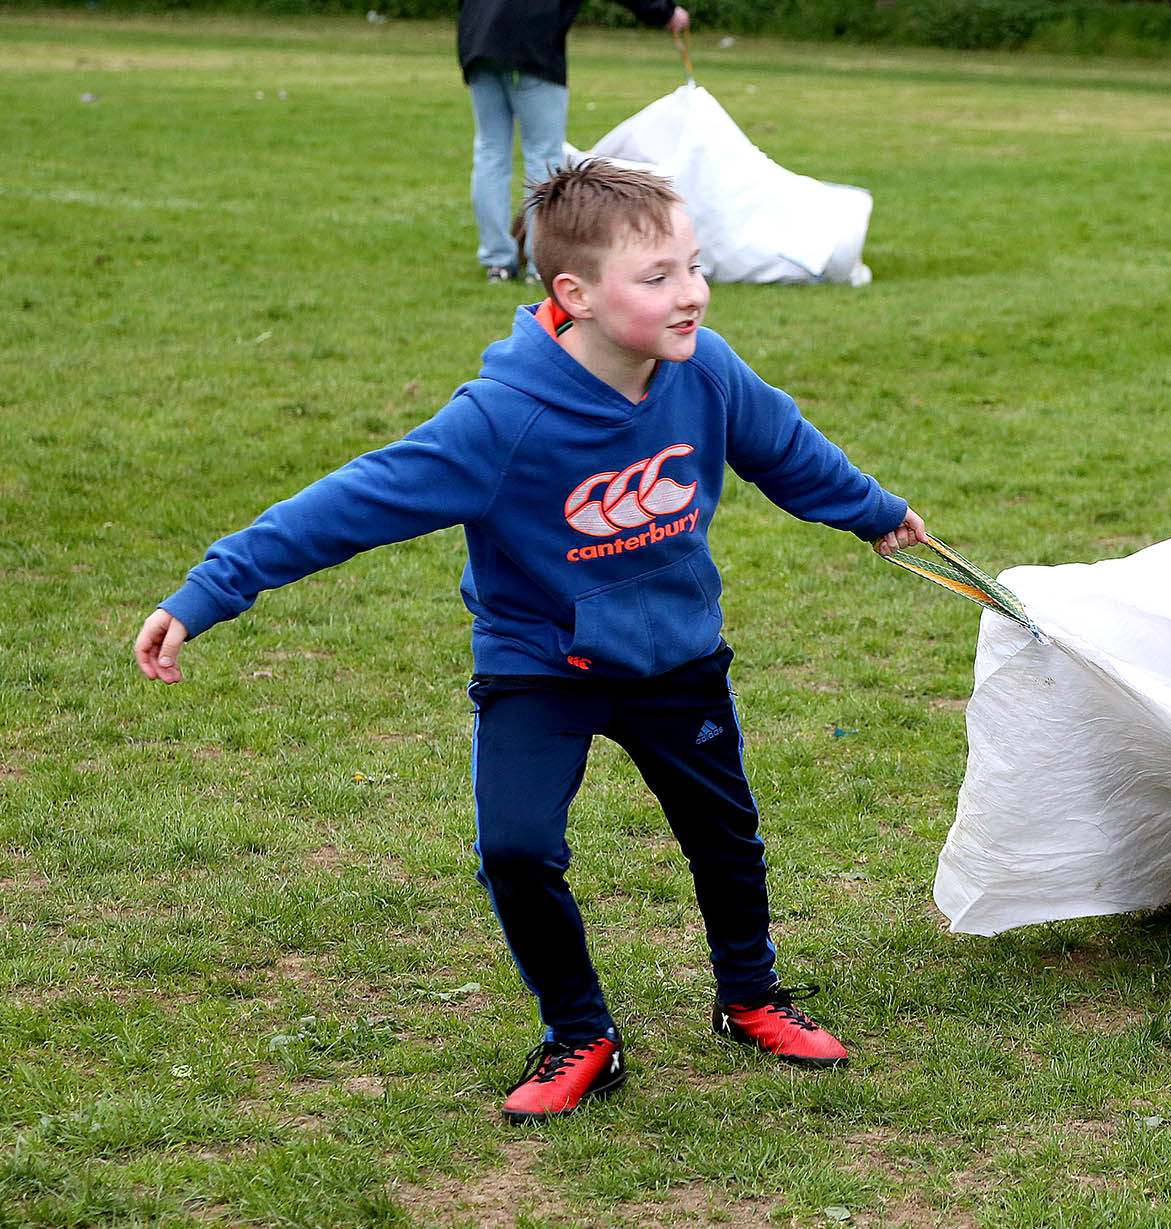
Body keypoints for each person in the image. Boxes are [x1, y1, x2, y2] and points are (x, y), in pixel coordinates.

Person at [134, 160, 924, 1124]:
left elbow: (786, 448)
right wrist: (211, 589)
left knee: (723, 834)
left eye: (694, 266)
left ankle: (750, 995)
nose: (692, 293)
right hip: (540, 662)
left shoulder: (705, 369)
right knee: (515, 847)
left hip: (676, 657)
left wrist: (872, 511)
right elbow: (352, 502)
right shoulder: (501, 420)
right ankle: (581, 1033)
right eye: (659, 277)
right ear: (575, 295)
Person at [459, 0, 690, 283]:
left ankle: (498, 262)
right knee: (544, 155)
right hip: (531, 44)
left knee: (490, 153)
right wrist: (665, 11)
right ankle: (539, 264)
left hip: (478, 44)